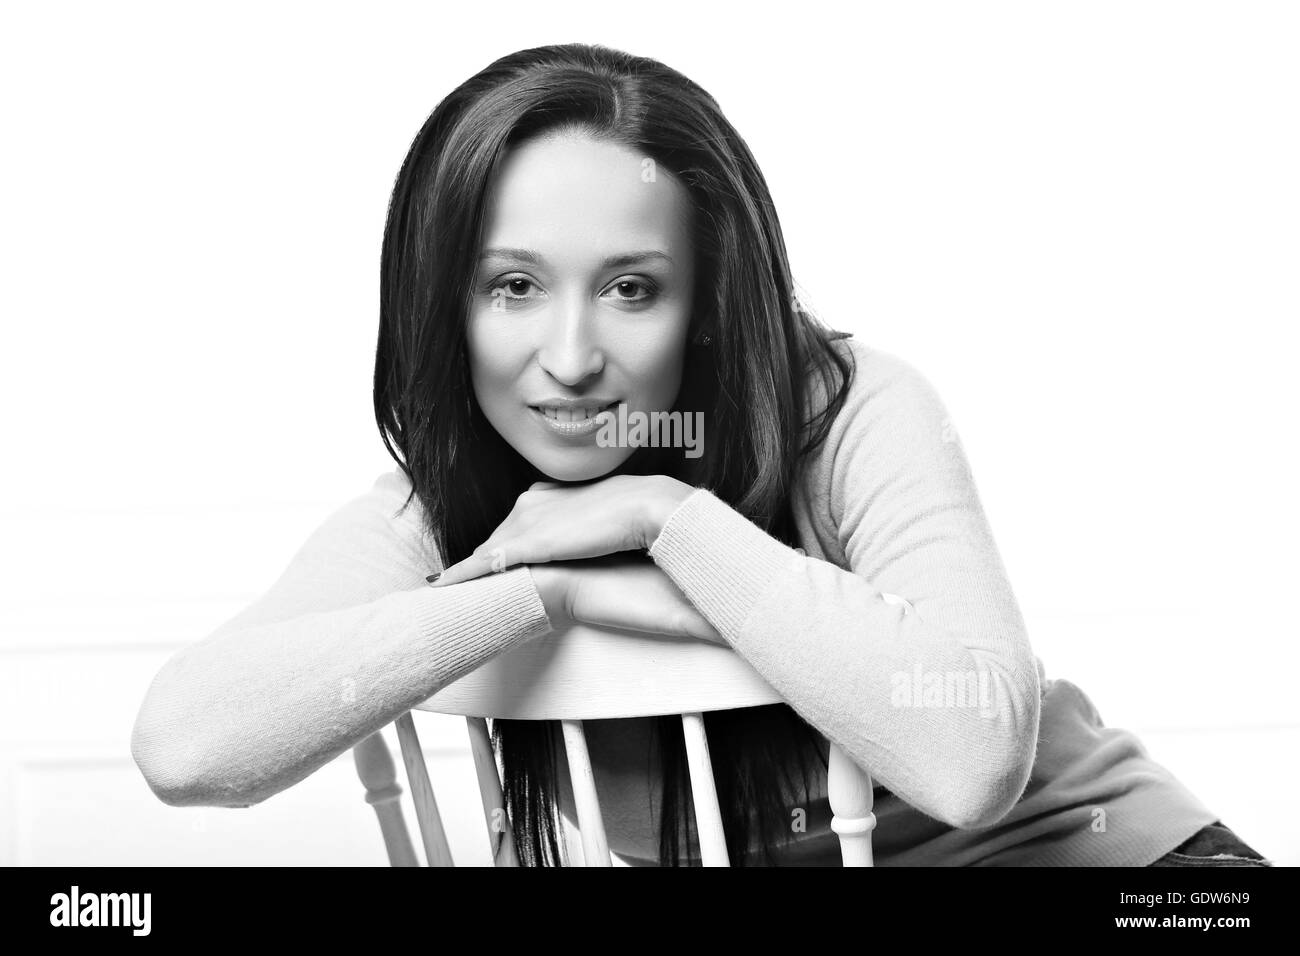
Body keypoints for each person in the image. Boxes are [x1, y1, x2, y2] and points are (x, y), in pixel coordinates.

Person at [130, 42, 1271, 867]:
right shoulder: (439, 516)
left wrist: (665, 524)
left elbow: (971, 759)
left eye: (631, 288)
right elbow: (187, 744)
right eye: (513, 285)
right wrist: (543, 589)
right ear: (446, 305)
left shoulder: (852, 409)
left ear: (710, 302)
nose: (569, 356)